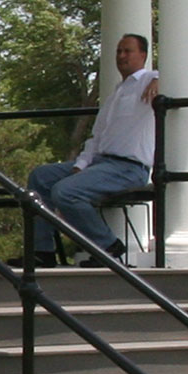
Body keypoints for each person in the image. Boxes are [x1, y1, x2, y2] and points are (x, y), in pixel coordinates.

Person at [27, 34, 158, 262]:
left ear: (143, 55)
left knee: (65, 192)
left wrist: (159, 77)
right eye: (119, 51)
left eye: (128, 51)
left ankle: (108, 245)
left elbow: (180, 78)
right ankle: (44, 251)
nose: (121, 56)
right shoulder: (116, 94)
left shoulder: (149, 81)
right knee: (41, 177)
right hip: (100, 163)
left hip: (128, 168)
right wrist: (81, 165)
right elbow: (97, 138)